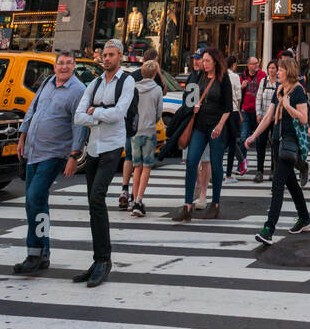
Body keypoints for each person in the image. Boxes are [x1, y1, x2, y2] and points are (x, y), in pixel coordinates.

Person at [73, 39, 137, 287]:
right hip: (94, 148)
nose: (107, 59)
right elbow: (78, 116)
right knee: (92, 203)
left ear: (120, 56)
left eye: (111, 55)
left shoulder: (126, 81)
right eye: (105, 55)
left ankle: (104, 260)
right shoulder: (96, 83)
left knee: (98, 197)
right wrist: (98, 115)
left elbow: (119, 114)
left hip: (112, 146)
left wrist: (94, 113)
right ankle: (98, 259)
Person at [14, 51, 84, 273]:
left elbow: (79, 125)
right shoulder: (47, 82)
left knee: (34, 198)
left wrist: (74, 155)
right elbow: (32, 109)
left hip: (54, 154)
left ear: (74, 66)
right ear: (55, 66)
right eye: (60, 63)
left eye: (68, 63)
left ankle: (34, 252)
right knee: (36, 202)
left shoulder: (78, 90)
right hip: (33, 152)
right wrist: (22, 135)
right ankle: (43, 253)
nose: (64, 67)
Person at [250, 56, 310, 244]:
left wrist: (288, 107)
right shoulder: (280, 90)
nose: (277, 72)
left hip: (290, 143)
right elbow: (269, 117)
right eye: (277, 69)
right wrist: (253, 136)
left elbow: (304, 119)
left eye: (281, 70)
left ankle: (269, 229)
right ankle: (304, 217)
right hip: (278, 143)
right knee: (291, 183)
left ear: (289, 72)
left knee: (277, 186)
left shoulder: (298, 91)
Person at [172, 46, 232, 222]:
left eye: (207, 61)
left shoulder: (223, 79)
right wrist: (194, 106)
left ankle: (215, 203)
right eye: (202, 61)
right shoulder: (199, 77)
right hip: (199, 125)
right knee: (191, 161)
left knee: (215, 164)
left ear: (215, 61)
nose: (203, 64)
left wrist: (220, 124)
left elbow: (229, 106)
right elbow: (189, 100)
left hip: (215, 126)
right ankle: (187, 205)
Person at [130, 60, 164, 217]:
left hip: (135, 132)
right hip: (149, 131)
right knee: (147, 167)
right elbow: (159, 113)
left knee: (136, 166)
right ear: (154, 74)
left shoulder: (134, 88)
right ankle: (139, 199)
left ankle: (134, 200)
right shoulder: (157, 90)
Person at [254, 60, 279, 181]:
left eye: (273, 68)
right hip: (264, 117)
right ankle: (260, 171)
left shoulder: (280, 83)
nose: (271, 70)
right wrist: (258, 113)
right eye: (270, 68)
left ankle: (274, 170)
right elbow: (258, 98)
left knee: (275, 145)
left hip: (275, 119)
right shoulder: (263, 81)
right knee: (261, 144)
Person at [239, 56, 265, 170]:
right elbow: (236, 93)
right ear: (248, 65)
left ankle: (260, 167)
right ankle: (242, 163)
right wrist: (241, 87)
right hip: (246, 110)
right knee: (244, 136)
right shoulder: (242, 76)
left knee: (259, 139)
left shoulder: (263, 75)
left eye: (257, 63)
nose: (256, 66)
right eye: (254, 64)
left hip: (258, 112)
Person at [224, 55, 243, 184]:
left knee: (219, 142)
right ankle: (228, 174)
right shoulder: (235, 77)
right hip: (233, 111)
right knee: (232, 142)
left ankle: (213, 171)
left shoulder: (221, 75)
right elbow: (238, 96)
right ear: (234, 64)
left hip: (221, 112)